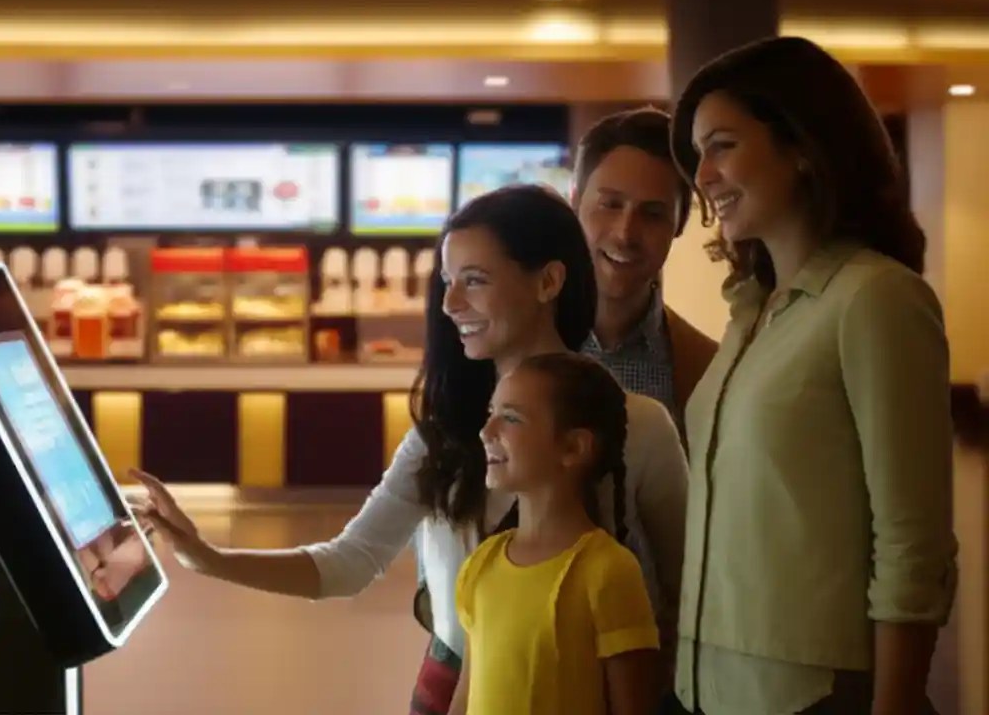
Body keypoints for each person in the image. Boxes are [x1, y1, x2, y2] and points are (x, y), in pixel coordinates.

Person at [128, 184, 688, 714]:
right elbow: (349, 563)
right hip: (456, 688)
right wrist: (208, 557)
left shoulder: (639, 428)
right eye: (447, 281)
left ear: (548, 282)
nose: (450, 304)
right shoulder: (440, 439)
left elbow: (685, 594)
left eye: (474, 280)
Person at [668, 36, 958, 714]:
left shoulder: (876, 298)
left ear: (801, 146)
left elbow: (912, 543)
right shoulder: (749, 313)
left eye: (722, 145)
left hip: (811, 695)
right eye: (698, 153)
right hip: (704, 685)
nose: (702, 176)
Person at [448, 351, 660, 715]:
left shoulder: (608, 571)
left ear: (573, 447)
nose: (486, 432)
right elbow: (465, 698)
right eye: (491, 414)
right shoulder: (481, 564)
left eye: (511, 418)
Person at [571, 107, 719, 433]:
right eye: (610, 205)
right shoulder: (512, 340)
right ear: (575, 202)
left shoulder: (708, 368)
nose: (625, 234)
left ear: (679, 224)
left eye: (652, 214)